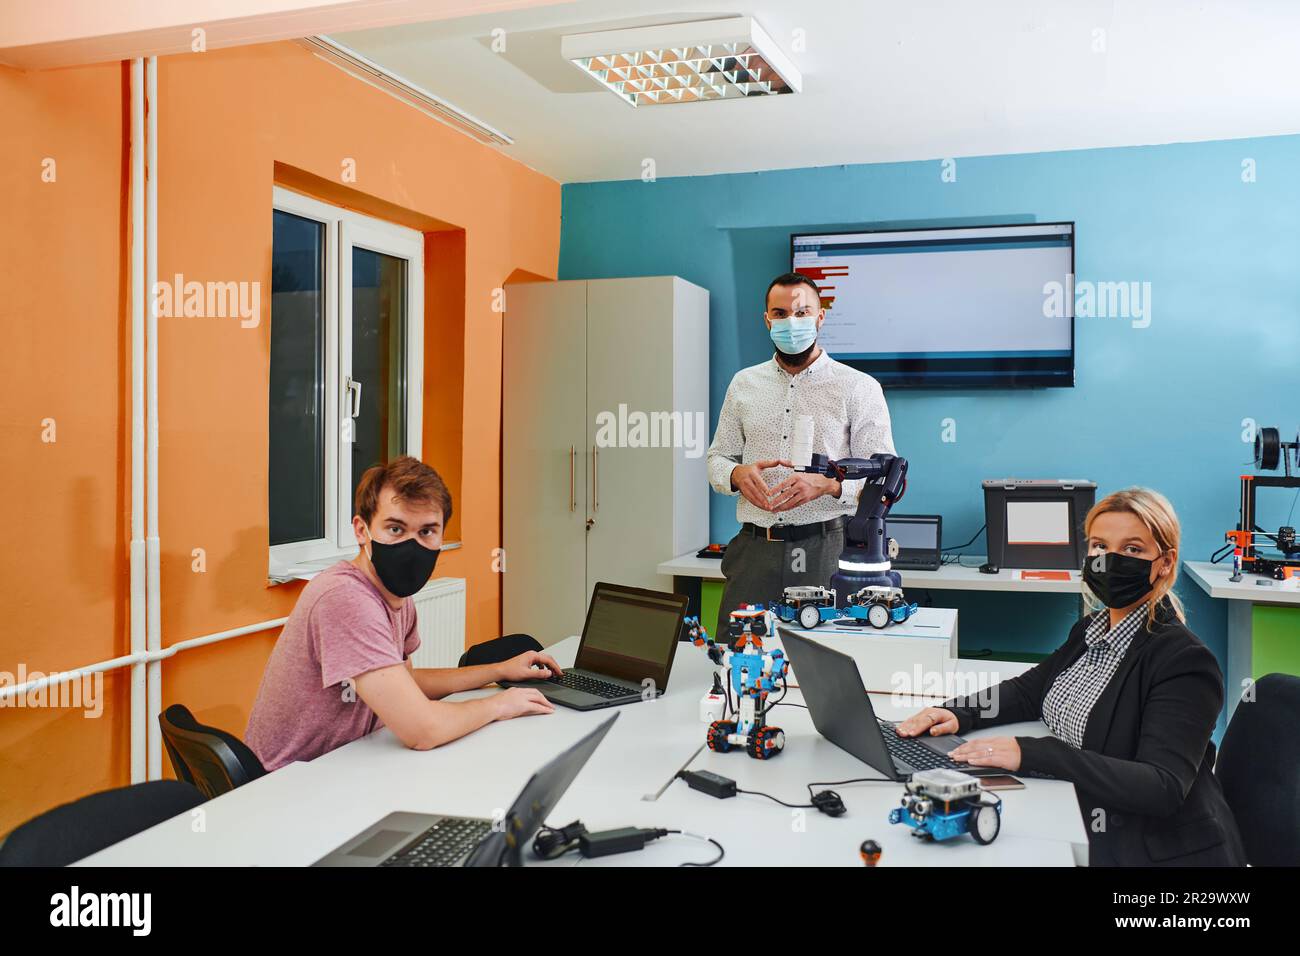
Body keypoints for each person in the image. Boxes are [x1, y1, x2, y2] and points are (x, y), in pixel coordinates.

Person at [897, 487, 1247, 866]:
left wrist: (1036, 753)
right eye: (1099, 546)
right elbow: (1030, 691)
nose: (1109, 560)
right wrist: (958, 712)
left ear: (1164, 562)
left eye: (1132, 550)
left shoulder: (1184, 662)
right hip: (1082, 812)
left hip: (1157, 848)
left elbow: (1160, 787)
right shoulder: (1090, 630)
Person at [246, 455, 559, 771]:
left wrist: (499, 670)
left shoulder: (396, 594)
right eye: (395, 528)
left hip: (345, 763)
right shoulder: (344, 597)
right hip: (289, 784)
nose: (412, 546)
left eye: (427, 531)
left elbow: (405, 683)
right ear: (361, 530)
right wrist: (499, 705)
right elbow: (423, 730)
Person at [706, 271, 895, 640]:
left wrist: (827, 486)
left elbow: (883, 478)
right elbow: (718, 458)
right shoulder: (743, 384)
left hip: (825, 550)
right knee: (735, 661)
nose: (791, 322)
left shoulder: (858, 387)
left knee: (825, 666)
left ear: (820, 317)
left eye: (802, 312)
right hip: (754, 551)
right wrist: (736, 474)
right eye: (780, 313)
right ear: (767, 320)